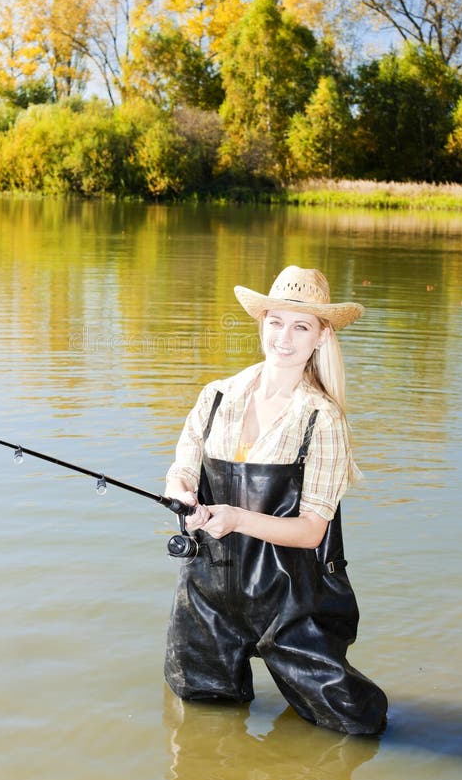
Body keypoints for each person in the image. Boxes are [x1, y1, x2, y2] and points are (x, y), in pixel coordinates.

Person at [163, 265, 388, 735]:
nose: (284, 337)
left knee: (358, 722)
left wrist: (236, 517)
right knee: (200, 725)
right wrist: (181, 496)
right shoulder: (216, 395)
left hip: (290, 599)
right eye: (276, 321)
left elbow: (312, 531)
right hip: (208, 592)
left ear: (321, 337)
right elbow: (182, 468)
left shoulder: (322, 418)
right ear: (261, 322)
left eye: (301, 325)